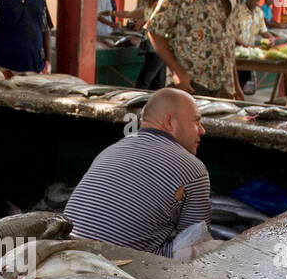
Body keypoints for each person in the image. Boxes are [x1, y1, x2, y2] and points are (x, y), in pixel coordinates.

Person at [63, 88, 210, 257]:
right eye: (196, 122)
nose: (202, 130)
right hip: (115, 267)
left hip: (66, 254)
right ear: (169, 122)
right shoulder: (194, 168)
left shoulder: (111, 149)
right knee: (208, 248)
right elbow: (197, 238)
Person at [234, 0, 271, 95]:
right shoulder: (237, 11)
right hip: (236, 52)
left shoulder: (259, 12)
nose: (255, 2)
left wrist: (270, 38)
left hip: (250, 53)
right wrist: (244, 45)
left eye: (257, 0)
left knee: (245, 83)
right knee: (235, 81)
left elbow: (263, 30)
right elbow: (232, 33)